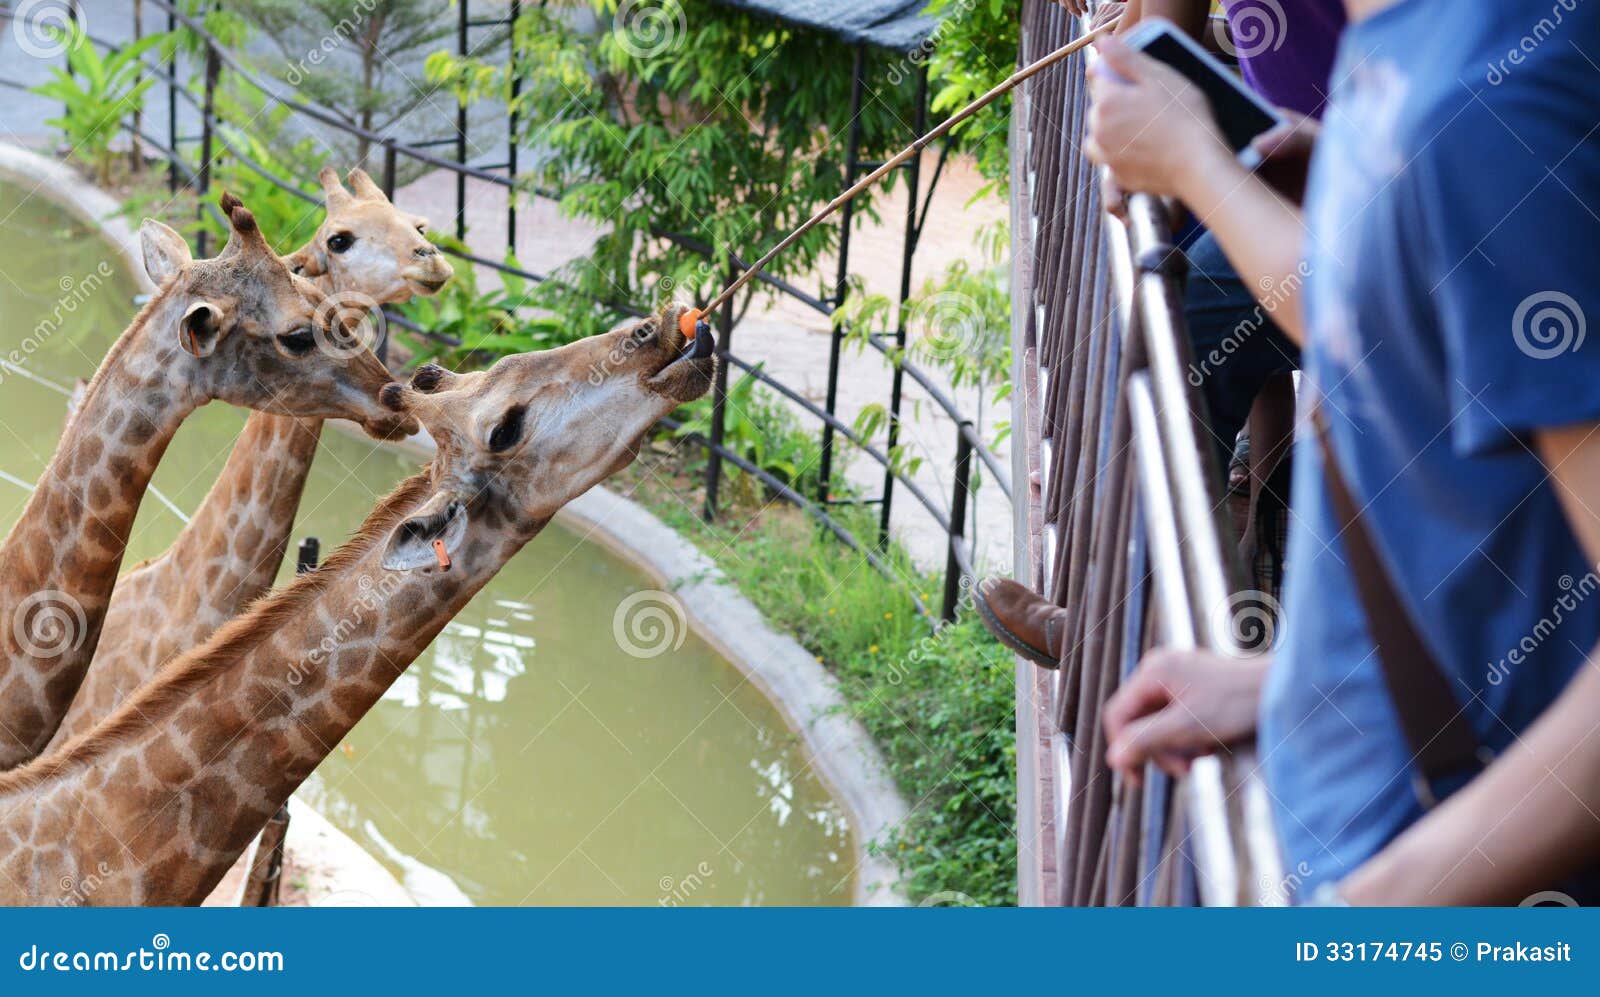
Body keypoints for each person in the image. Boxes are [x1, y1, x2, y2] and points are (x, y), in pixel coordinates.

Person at [1090, 0, 1600, 901]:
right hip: (1330, 805)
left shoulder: (1492, 98)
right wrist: (1298, 687)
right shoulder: (1409, 48)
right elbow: (1419, 406)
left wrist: (1363, 913)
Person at [977, 0, 1342, 667]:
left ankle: (1125, 627)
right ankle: (1178, 600)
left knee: (1186, 330)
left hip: (1367, 187)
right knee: (1190, 311)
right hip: (1295, 153)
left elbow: (1154, 42)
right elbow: (1153, 38)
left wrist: (1171, 137)